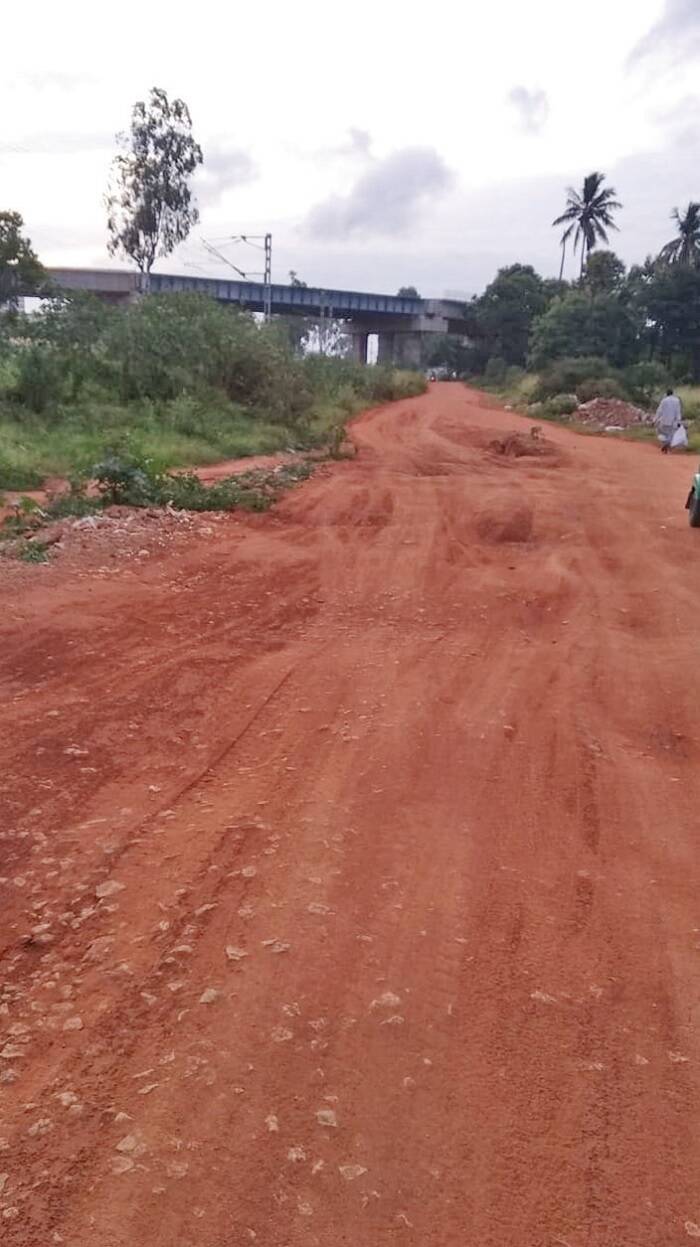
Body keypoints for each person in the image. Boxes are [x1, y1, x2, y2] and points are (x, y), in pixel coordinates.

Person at [655, 388, 683, 453]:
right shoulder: (677, 401)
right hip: (674, 421)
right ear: (672, 393)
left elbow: (659, 411)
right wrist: (679, 420)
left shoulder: (664, 400)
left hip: (664, 420)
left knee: (660, 432)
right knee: (671, 435)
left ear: (667, 394)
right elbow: (678, 411)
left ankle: (665, 444)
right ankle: (668, 447)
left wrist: (655, 419)